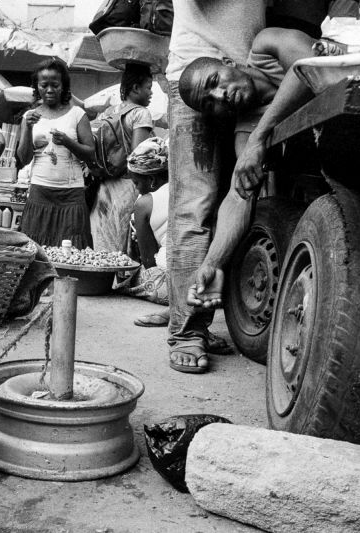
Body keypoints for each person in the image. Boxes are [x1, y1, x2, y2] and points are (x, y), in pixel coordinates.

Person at [162, 0, 267, 374]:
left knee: (241, 192)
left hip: (246, 72)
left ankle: (195, 318)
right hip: (199, 75)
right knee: (195, 208)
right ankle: (188, 331)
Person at [17, 59, 95, 248]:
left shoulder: (77, 114)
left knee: (72, 248)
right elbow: (23, 158)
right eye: (44, 85)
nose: (49, 90)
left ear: (64, 86)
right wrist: (27, 128)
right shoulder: (30, 116)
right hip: (40, 192)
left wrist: (68, 142)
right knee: (36, 248)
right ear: (37, 86)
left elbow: (91, 154)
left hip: (71, 195)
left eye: (55, 85)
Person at [89, 63, 155, 252]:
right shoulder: (141, 113)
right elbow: (138, 158)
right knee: (123, 242)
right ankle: (119, 281)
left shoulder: (108, 112)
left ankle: (102, 280)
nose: (151, 93)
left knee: (103, 240)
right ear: (135, 88)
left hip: (104, 185)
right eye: (148, 87)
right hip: (128, 186)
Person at [119, 137, 171, 327]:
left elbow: (149, 261)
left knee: (126, 279)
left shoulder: (144, 203)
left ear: (151, 180)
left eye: (136, 183)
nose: (136, 188)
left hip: (169, 284)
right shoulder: (187, 190)